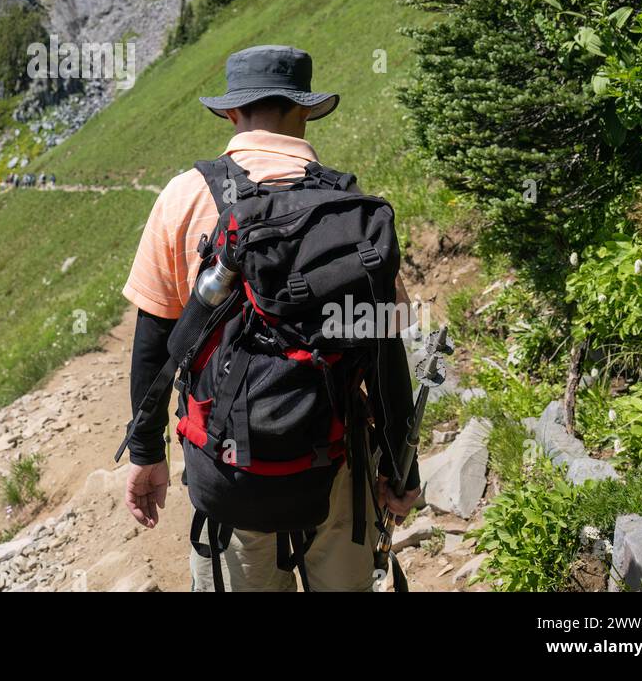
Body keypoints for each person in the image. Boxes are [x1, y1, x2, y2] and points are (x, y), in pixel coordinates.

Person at [120, 45, 421, 591]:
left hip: (227, 464)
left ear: (232, 113)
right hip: (333, 457)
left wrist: (146, 452)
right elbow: (384, 349)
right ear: (305, 110)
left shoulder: (183, 197)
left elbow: (154, 341)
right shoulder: (347, 210)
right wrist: (401, 468)